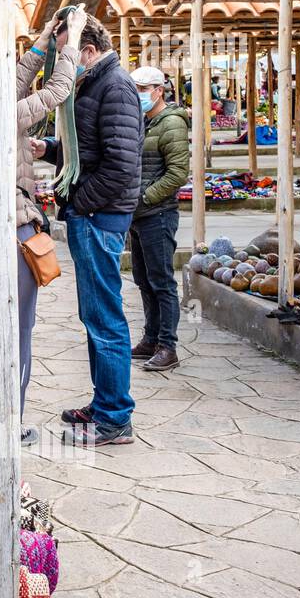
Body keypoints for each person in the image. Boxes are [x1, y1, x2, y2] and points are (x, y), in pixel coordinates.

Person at [0, 9, 78, 443]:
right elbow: (57, 90)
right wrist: (70, 43)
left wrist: (46, 36)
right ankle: (7, 421)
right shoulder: (3, 113)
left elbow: (23, 77)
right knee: (20, 323)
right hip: (12, 226)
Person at [34, 12, 143, 446]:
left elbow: (119, 167)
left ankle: (115, 417)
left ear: (88, 51)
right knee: (94, 314)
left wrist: (79, 203)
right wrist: (48, 149)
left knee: (105, 318)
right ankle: (104, 404)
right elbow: (88, 150)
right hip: (92, 214)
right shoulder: (96, 84)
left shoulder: (115, 87)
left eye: (67, 53)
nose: (64, 62)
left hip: (99, 217)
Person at [128, 66, 189, 373]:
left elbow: (178, 173)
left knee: (162, 281)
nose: (138, 94)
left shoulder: (172, 124)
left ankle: (168, 345)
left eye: (142, 89)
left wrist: (146, 197)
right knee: (143, 279)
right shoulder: (144, 122)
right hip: (139, 215)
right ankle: (150, 338)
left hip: (159, 213)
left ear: (158, 91)